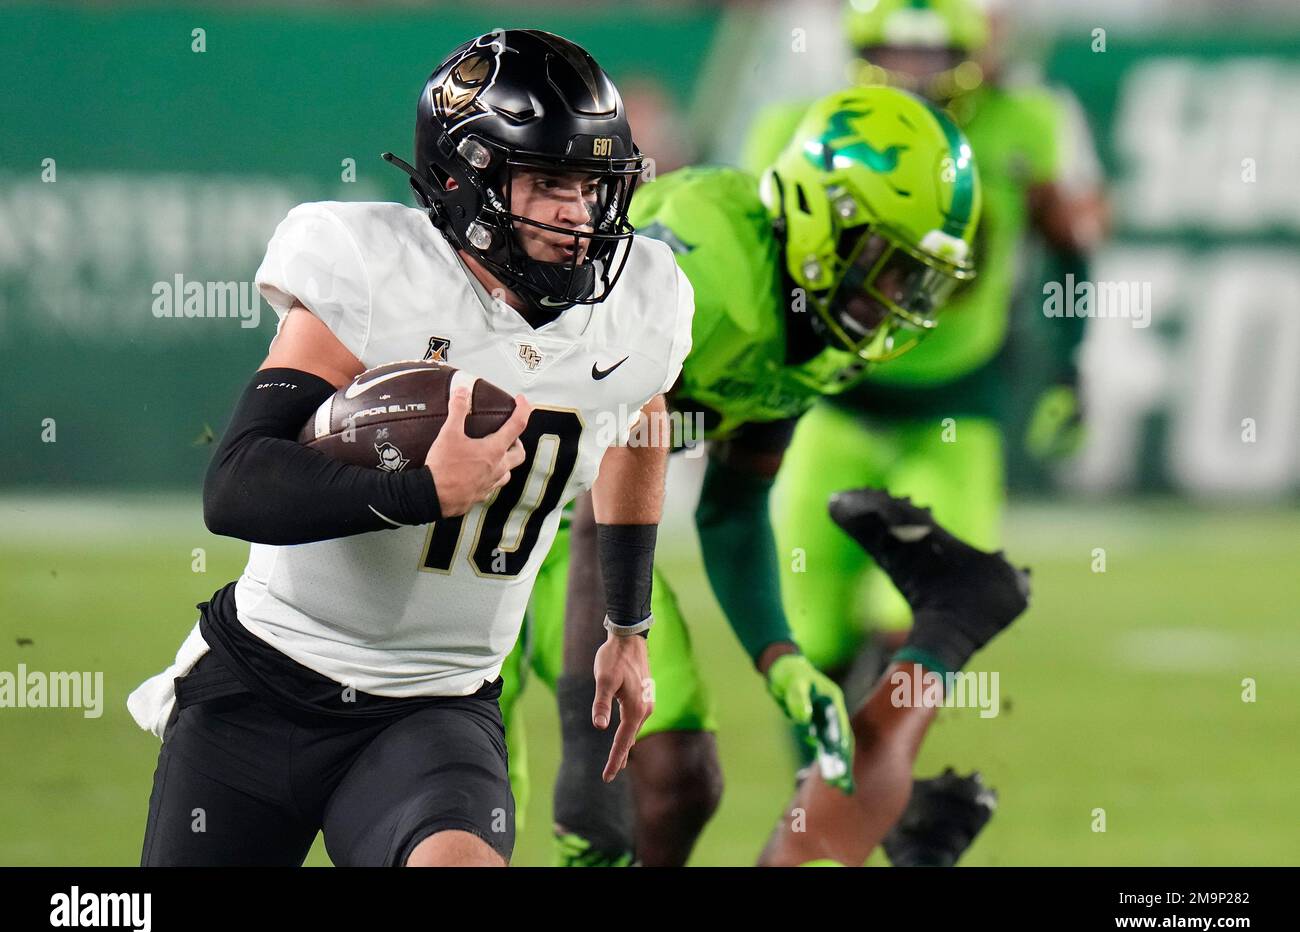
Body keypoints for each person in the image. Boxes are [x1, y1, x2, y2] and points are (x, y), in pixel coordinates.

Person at [127, 29, 693, 867]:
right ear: (467, 177)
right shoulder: (370, 267)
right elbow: (238, 483)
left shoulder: (642, 300)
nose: (579, 215)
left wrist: (627, 624)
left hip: (436, 704)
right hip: (266, 682)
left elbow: (637, 423)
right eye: (549, 184)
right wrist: (421, 489)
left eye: (593, 186)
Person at [505, 84, 991, 866]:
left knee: (677, 777)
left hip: (586, 507)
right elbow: (610, 440)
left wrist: (781, 657)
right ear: (820, 213)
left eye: (913, 281)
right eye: (886, 266)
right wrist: (596, 687)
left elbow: (733, 508)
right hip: (493, 493)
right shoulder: (710, 271)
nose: (893, 299)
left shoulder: (815, 336)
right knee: (489, 793)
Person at [742, 0, 1108, 864]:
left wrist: (1070, 360)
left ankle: (854, 817)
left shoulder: (1026, 122)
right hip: (833, 406)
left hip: (954, 412)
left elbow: (1072, 241)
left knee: (917, 628)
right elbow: (760, 259)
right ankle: (855, 815)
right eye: (896, 47)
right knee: (808, 646)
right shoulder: (802, 127)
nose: (914, 65)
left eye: (932, 47)